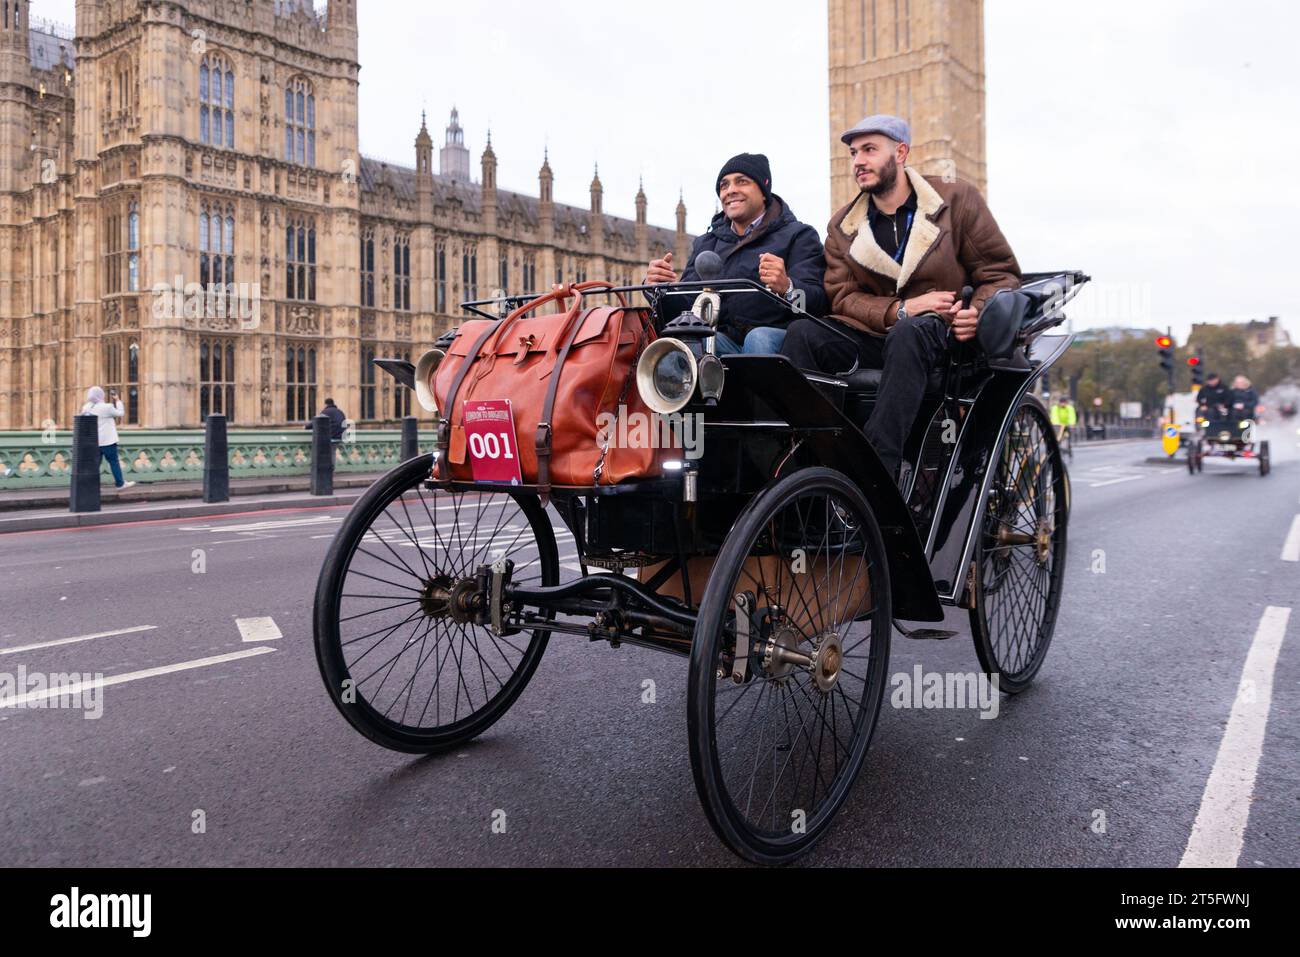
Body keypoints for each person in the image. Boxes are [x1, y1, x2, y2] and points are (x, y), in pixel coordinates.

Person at [780, 116, 1021, 479]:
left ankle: (877, 467)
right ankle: (816, 462)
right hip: (878, 331)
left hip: (943, 336)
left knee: (909, 335)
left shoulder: (957, 199)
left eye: (870, 150)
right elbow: (842, 296)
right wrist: (902, 309)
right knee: (801, 334)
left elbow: (999, 273)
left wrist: (978, 312)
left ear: (901, 153)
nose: (858, 160)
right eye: (853, 152)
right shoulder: (841, 226)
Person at [645, 153, 828, 354]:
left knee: (758, 339)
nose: (731, 190)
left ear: (764, 190)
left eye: (741, 182)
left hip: (778, 341)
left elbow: (816, 306)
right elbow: (688, 310)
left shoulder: (798, 236)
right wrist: (657, 289)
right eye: (724, 185)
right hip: (724, 340)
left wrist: (788, 287)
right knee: (687, 343)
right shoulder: (706, 244)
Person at [80, 386, 136, 490]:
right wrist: (118, 400)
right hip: (108, 441)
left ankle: (92, 485)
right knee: (113, 462)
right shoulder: (107, 407)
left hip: (94, 441)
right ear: (101, 395)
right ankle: (120, 484)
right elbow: (121, 413)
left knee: (95, 465)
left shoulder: (86, 407)